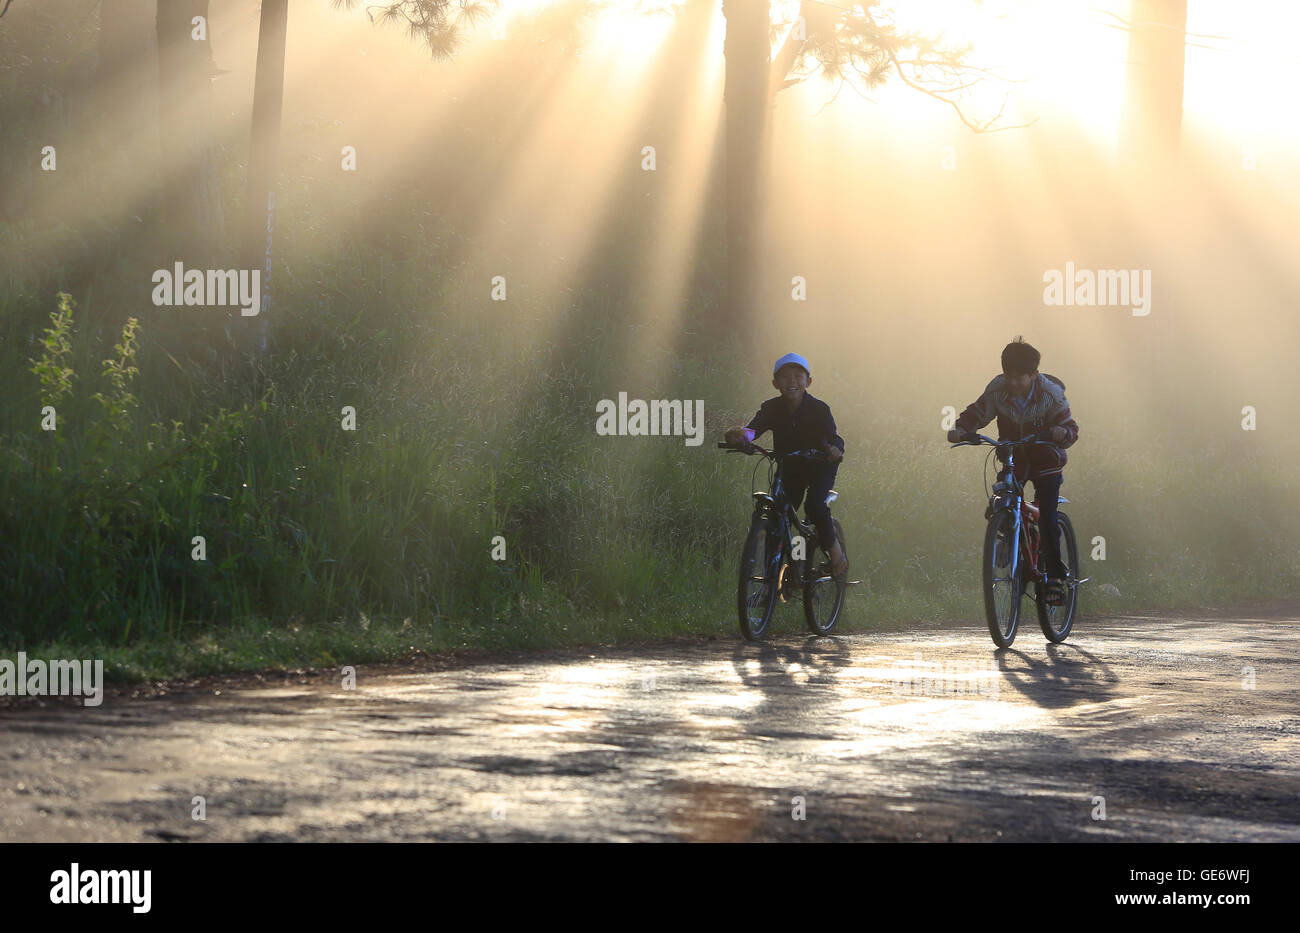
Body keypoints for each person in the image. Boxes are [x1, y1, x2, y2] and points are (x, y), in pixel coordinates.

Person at [947, 337, 1079, 604]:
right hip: (1012, 456)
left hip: (1046, 459)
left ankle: (1053, 577)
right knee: (1001, 499)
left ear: (1034, 374)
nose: (1015, 383)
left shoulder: (1052, 394)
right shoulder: (997, 390)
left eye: (1022, 378)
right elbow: (978, 412)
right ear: (1003, 373)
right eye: (1010, 377)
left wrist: (1060, 432)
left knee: (1048, 518)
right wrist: (962, 428)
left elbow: (1071, 429)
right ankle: (1010, 539)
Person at [724, 352, 848, 578]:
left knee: (815, 507)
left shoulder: (819, 409)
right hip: (790, 466)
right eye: (785, 377)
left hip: (820, 466)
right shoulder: (771, 408)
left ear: (808, 382)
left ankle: (837, 556)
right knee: (778, 511)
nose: (792, 381)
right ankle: (776, 575)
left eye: (798, 376)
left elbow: (834, 438)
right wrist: (741, 437)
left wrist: (833, 450)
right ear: (775, 384)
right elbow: (754, 430)